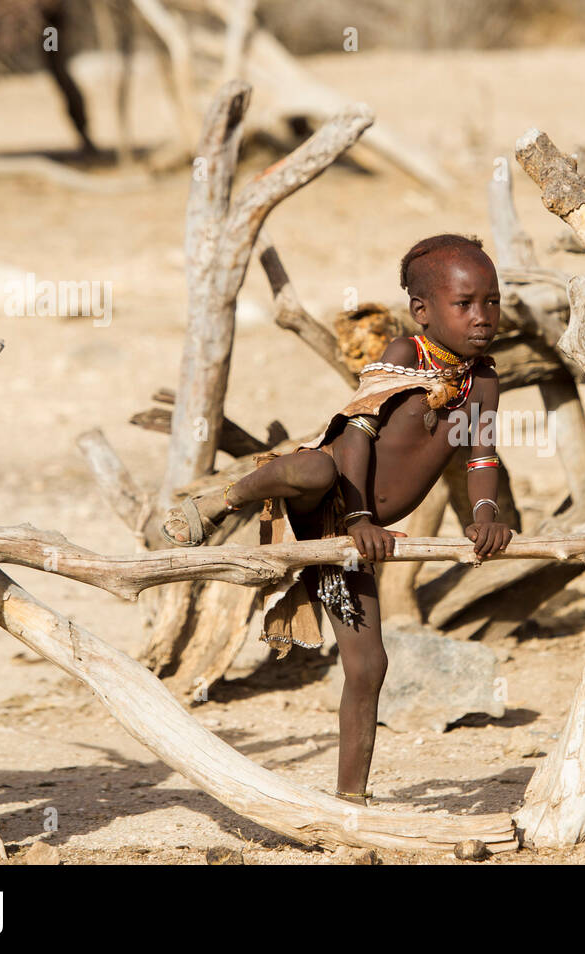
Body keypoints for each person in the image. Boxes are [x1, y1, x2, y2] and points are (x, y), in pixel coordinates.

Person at [159, 233, 513, 805]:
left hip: (356, 537)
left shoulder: (484, 380)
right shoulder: (403, 356)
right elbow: (354, 439)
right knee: (310, 469)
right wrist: (359, 516)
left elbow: (481, 453)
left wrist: (485, 515)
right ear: (422, 311)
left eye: (491, 302)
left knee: (369, 666)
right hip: (336, 499)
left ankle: (350, 801)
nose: (482, 316)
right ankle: (223, 500)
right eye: (465, 303)